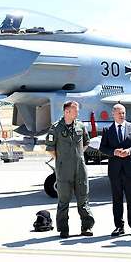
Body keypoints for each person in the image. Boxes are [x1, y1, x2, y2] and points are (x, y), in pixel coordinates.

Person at [45, 101, 95, 239]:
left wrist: (78, 157)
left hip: (80, 168)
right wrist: (62, 160)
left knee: (83, 199)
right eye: (75, 110)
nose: (77, 112)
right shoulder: (55, 128)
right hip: (63, 170)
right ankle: (63, 229)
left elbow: (86, 142)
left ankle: (87, 227)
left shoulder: (80, 125)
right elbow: (50, 148)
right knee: (63, 200)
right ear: (67, 111)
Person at [99, 104, 131, 237]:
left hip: (130, 169)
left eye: (123, 113)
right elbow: (103, 148)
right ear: (113, 114)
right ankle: (119, 226)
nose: (122, 115)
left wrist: (129, 151)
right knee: (117, 200)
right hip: (115, 170)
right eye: (119, 113)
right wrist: (114, 152)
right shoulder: (107, 129)